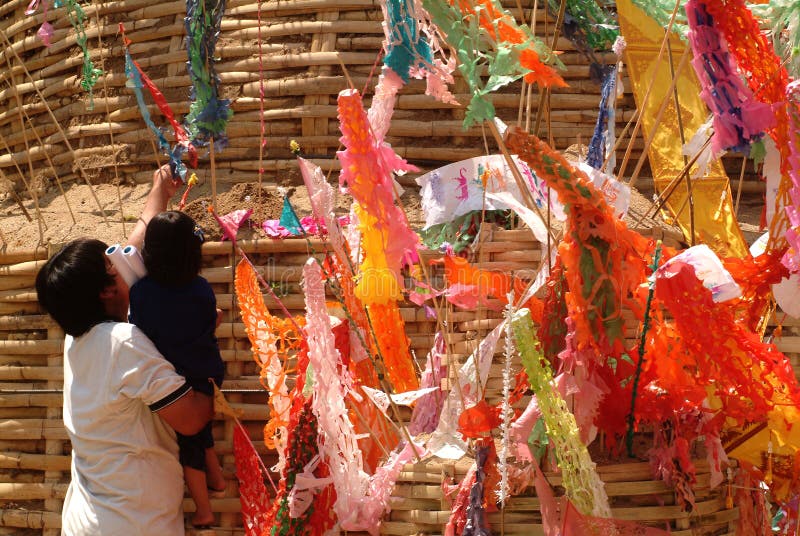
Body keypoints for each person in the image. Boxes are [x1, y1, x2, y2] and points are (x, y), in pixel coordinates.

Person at [35, 164, 213, 535]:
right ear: (105, 290)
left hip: (92, 520)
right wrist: (204, 363)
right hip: (130, 524)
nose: (125, 261)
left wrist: (160, 189)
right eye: (112, 264)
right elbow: (192, 418)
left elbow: (136, 242)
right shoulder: (123, 344)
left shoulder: (79, 337)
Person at [129, 210, 226, 529]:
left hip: (177, 377)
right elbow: (207, 323)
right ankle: (217, 479)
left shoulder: (141, 293)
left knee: (189, 444)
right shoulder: (201, 288)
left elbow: (141, 335)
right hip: (208, 370)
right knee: (201, 430)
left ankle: (204, 510)